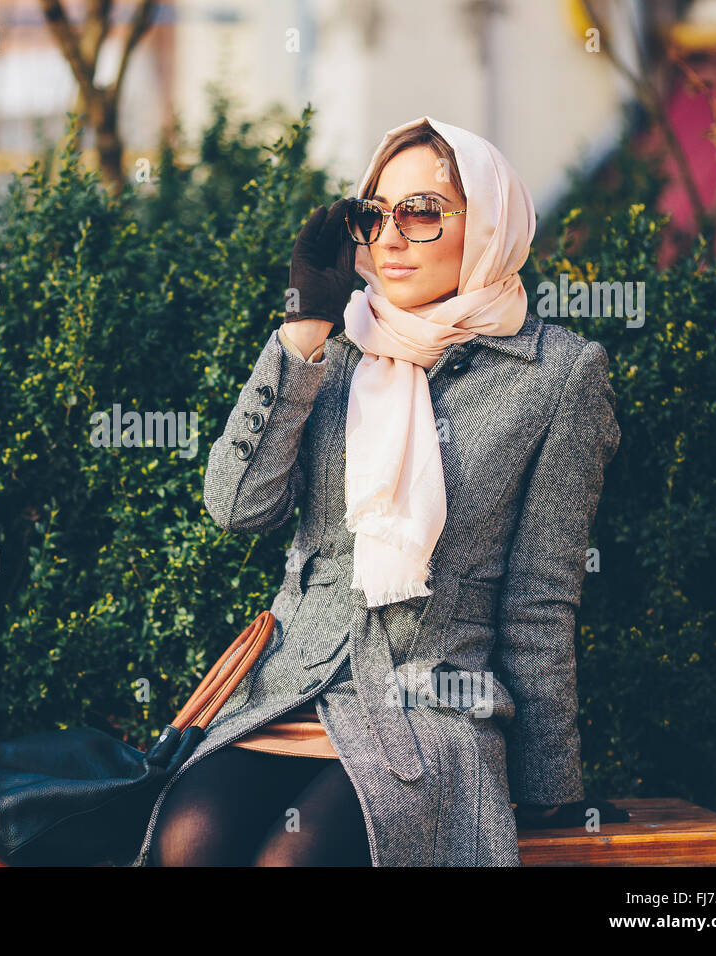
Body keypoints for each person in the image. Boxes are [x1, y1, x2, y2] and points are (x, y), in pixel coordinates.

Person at [136, 116, 622, 867]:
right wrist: (301, 337)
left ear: (486, 226)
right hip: (288, 695)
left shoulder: (558, 377)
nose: (389, 239)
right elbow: (237, 508)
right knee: (185, 843)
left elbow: (540, 596)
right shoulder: (336, 346)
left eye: (421, 213)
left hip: (430, 711)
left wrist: (548, 784)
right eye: (374, 216)